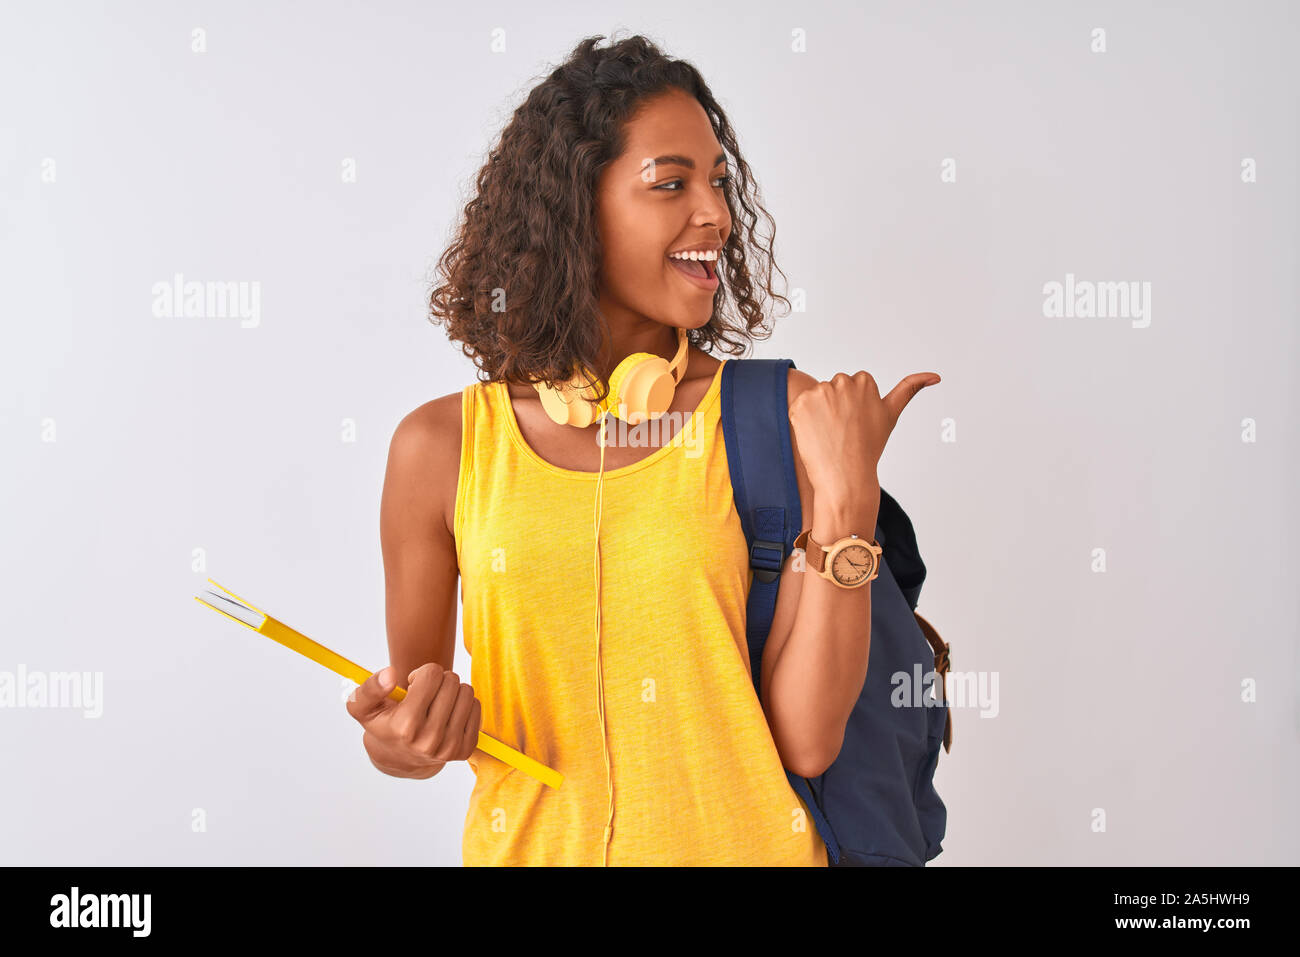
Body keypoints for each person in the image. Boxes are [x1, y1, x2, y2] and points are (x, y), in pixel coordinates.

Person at [345, 33, 939, 866]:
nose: (717, 215)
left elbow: (807, 742)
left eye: (719, 184)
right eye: (671, 184)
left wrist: (848, 499)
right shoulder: (438, 449)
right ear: (573, 207)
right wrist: (402, 736)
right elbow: (409, 724)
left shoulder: (784, 418)